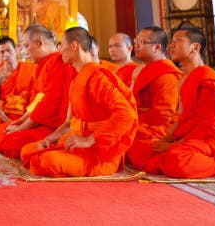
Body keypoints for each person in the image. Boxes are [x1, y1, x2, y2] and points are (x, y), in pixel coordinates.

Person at [129, 26, 215, 181]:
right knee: (139, 148)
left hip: (212, 139)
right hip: (188, 137)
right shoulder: (184, 79)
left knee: (177, 158)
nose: (171, 46)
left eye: (178, 41)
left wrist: (173, 145)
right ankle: (175, 159)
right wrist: (165, 140)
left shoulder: (208, 79)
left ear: (195, 47)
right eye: (171, 42)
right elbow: (181, 119)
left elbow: (209, 126)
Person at [20, 27, 138, 177]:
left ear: (74, 46)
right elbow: (69, 123)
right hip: (77, 141)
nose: (60, 51)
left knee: (46, 161)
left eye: (61, 45)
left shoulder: (98, 78)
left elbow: (126, 115)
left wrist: (89, 140)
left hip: (99, 152)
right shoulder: (76, 81)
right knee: (28, 152)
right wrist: (49, 139)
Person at [0, 24, 75, 159]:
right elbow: (37, 99)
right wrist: (22, 121)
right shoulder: (45, 64)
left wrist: (23, 127)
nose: (25, 52)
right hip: (40, 121)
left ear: (40, 43)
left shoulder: (57, 63)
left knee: (8, 144)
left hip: (54, 126)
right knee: (2, 131)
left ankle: (55, 144)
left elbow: (48, 105)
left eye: (27, 46)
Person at [125, 26, 182, 167]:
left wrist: (130, 123)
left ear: (157, 47)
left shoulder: (167, 75)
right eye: (136, 41)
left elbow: (163, 115)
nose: (136, 46)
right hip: (141, 122)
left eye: (142, 42)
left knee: (133, 143)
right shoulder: (142, 70)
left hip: (159, 128)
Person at [0, 37, 36, 138]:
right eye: (2, 52)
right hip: (6, 117)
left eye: (8, 50)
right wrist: (12, 122)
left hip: (28, 115)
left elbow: (37, 99)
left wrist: (24, 122)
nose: (6, 55)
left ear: (16, 50)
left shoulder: (31, 69)